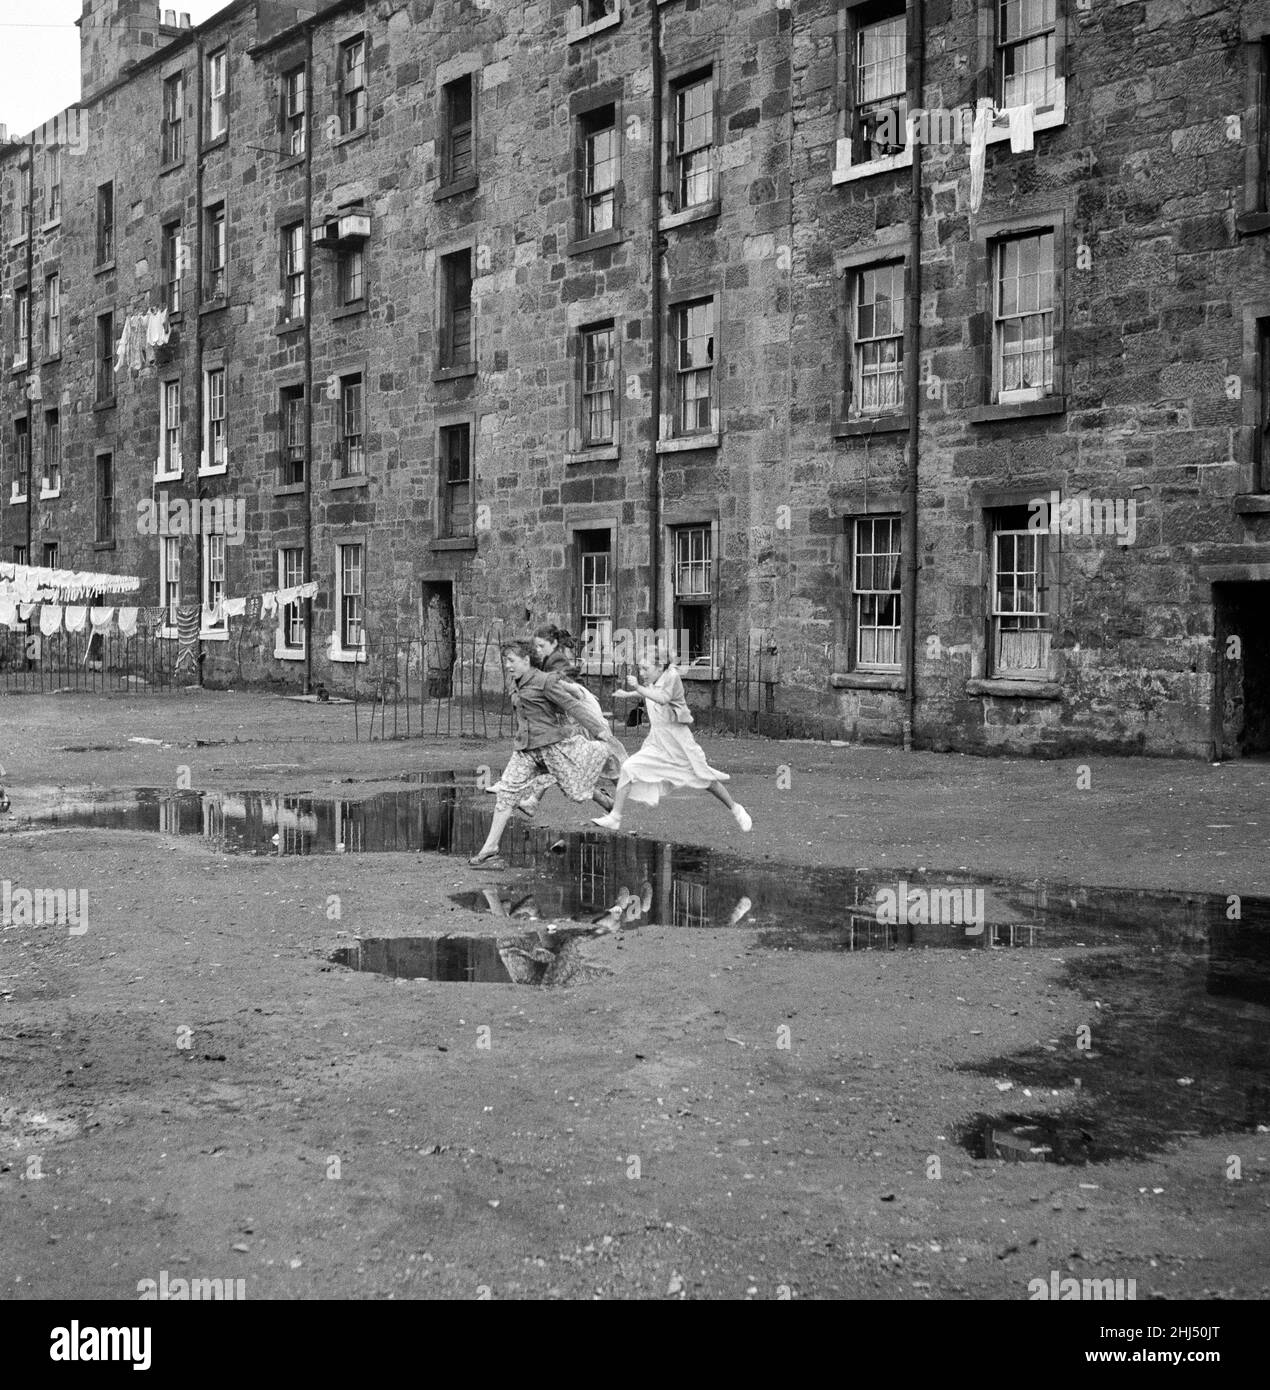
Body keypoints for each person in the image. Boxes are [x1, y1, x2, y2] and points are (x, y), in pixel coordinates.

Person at [468, 641, 615, 868]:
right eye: (506, 660)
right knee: (506, 792)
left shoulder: (545, 681)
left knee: (576, 790)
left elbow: (572, 706)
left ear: (526, 660)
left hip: (552, 747)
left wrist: (599, 731)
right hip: (525, 750)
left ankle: (604, 798)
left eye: (511, 660)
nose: (507, 665)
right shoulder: (514, 683)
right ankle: (490, 848)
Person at [592, 647, 752, 833]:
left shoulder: (672, 677)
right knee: (628, 768)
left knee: (705, 779)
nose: (642, 672)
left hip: (678, 742)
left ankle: (736, 809)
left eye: (645, 668)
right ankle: (615, 817)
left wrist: (637, 687)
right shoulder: (655, 679)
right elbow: (650, 692)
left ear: (660, 667)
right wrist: (630, 694)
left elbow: (662, 698)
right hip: (658, 741)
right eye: (641, 668)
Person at [528, 623, 626, 816]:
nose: (538, 651)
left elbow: (567, 688)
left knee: (565, 759)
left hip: (579, 719)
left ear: (554, 643)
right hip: (577, 716)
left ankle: (616, 797)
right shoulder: (552, 661)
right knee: (573, 760)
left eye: (541, 646)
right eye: (536, 647)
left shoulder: (555, 661)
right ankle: (613, 798)